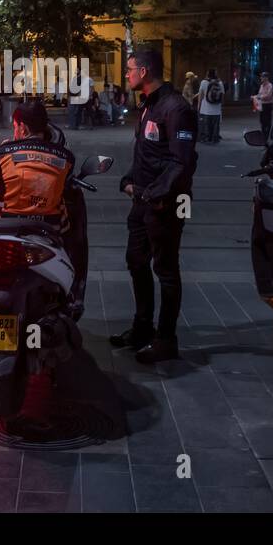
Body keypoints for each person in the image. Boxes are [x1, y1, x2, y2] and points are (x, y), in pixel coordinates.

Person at [111, 49, 198, 365]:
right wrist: (130, 179)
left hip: (166, 205)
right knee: (136, 261)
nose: (127, 75)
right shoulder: (148, 105)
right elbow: (148, 153)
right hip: (142, 202)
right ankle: (142, 328)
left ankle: (166, 340)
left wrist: (153, 193)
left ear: (144, 71)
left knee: (166, 270)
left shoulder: (176, 108)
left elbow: (182, 161)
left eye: (130, 69)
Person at [0, 101, 75, 226]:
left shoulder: (1, 153)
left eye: (15, 127)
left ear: (23, 128)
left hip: (8, 221)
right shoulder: (66, 157)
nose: (14, 132)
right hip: (51, 225)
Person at [197, 68, 224, 144]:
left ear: (208, 74)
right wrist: (221, 106)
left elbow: (201, 96)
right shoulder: (220, 83)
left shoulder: (204, 82)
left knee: (205, 125)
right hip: (217, 110)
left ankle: (205, 138)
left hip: (205, 109)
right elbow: (222, 96)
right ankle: (214, 138)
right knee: (215, 125)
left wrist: (199, 106)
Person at [255, 70, 273, 138]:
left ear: (266, 78)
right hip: (262, 105)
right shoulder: (261, 86)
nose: (261, 78)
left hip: (268, 105)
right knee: (262, 120)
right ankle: (264, 133)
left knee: (267, 120)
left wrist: (259, 97)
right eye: (261, 77)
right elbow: (259, 94)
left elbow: (268, 95)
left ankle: (269, 134)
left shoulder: (270, 85)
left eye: (262, 77)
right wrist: (255, 97)